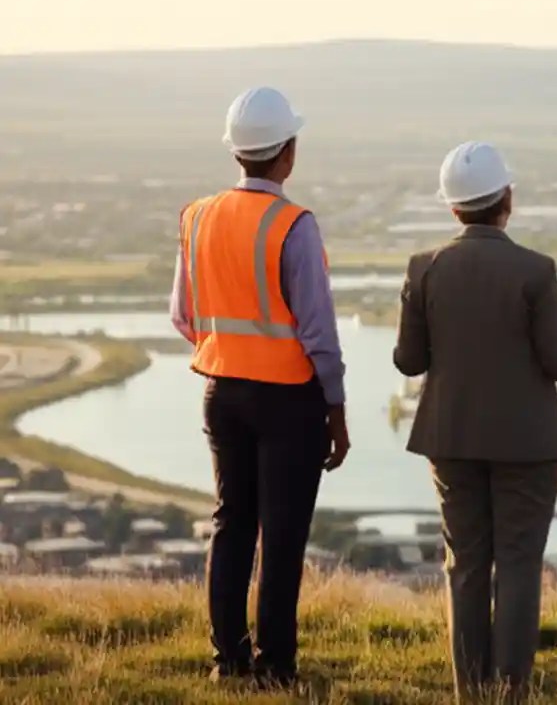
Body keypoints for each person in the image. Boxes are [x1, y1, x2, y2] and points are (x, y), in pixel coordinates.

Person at [393, 141, 557, 702]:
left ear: (453, 208)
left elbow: (409, 361)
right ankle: (509, 695)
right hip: (526, 445)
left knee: (466, 568)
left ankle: (469, 694)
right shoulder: (535, 270)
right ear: (507, 198)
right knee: (520, 567)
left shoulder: (423, 268)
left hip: (449, 438)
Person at [169, 86, 350, 687]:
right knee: (282, 533)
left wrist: (228, 352)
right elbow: (319, 333)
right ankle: (275, 667)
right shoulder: (293, 226)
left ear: (237, 153)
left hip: (221, 389)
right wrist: (336, 410)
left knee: (232, 522)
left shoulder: (197, 217)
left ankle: (228, 660)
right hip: (288, 399)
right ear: (288, 153)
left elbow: (183, 316)